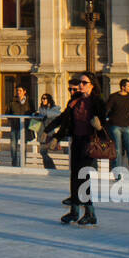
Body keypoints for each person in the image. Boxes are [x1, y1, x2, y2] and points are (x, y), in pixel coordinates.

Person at [49, 72, 107, 226]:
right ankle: (74, 212)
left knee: (83, 177)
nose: (80, 86)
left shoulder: (98, 102)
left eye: (84, 83)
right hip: (76, 141)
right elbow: (66, 121)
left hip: (89, 142)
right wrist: (56, 137)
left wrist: (100, 127)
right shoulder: (74, 100)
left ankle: (90, 213)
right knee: (74, 176)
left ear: (92, 85)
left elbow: (106, 123)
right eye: (80, 83)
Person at [7, 84, 33, 167]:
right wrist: (11, 121)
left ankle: (22, 164)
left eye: (20, 90)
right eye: (17, 90)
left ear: (24, 92)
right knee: (13, 146)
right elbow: (7, 112)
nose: (18, 92)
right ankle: (14, 164)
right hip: (14, 126)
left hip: (24, 127)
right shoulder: (12, 101)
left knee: (23, 146)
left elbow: (33, 112)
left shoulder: (29, 101)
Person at [35, 92, 60, 170]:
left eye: (45, 98)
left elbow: (58, 114)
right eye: (42, 98)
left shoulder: (54, 109)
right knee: (43, 152)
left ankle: (51, 167)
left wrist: (46, 114)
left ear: (49, 99)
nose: (43, 100)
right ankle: (49, 167)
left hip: (49, 133)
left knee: (44, 151)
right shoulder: (41, 109)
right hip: (41, 133)